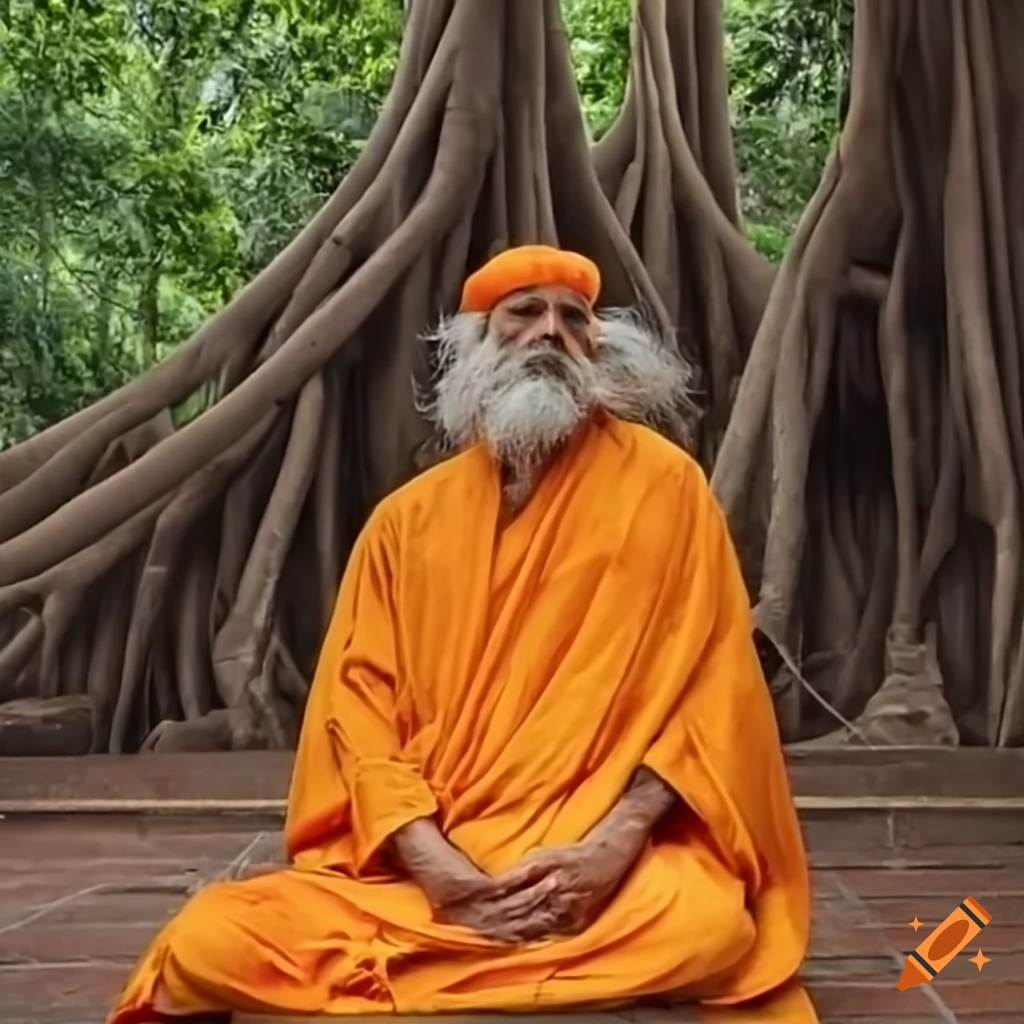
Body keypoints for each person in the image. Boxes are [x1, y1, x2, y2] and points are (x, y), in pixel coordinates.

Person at [108, 245, 811, 1023]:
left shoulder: (668, 489)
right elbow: (358, 711)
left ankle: (434, 971)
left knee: (707, 925)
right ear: (477, 342)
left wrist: (615, 843)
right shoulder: (405, 524)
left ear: (598, 344)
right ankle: (516, 963)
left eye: (573, 317)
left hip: (600, 863)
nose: (550, 332)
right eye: (524, 313)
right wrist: (435, 866)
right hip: (431, 870)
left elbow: (714, 693)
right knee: (213, 937)